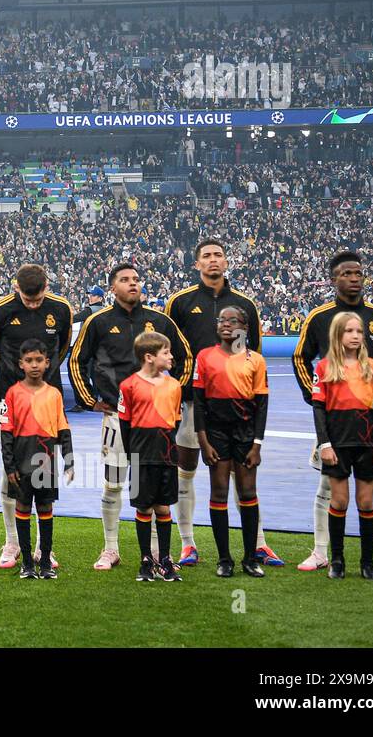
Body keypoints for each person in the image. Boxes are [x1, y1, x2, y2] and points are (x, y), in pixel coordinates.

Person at [292, 250, 373, 575]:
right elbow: (299, 358)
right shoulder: (319, 317)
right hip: (336, 422)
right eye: (346, 273)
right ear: (334, 279)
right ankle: (322, 553)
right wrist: (317, 398)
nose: (353, 278)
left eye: (357, 273)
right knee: (329, 487)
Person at [165, 239, 280, 568]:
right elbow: (168, 349)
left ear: (226, 261)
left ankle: (257, 544)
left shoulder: (245, 304)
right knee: (185, 472)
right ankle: (188, 543)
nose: (213, 260)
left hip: (238, 411)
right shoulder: (180, 302)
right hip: (191, 403)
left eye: (218, 255)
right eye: (206, 256)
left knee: (239, 477)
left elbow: (252, 354)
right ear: (196, 264)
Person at [69, 262, 191, 571]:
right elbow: (76, 361)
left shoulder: (159, 321)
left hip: (155, 421)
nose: (132, 284)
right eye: (124, 280)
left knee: (148, 487)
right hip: (115, 416)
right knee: (113, 483)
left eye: (136, 279)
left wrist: (171, 393)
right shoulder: (97, 322)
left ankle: (154, 553)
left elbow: (185, 358)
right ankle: (110, 548)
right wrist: (89, 400)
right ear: (112, 288)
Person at [0, 263, 72, 570]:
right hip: (10, 396)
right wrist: (14, 376)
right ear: (15, 287)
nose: (32, 304)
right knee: (11, 465)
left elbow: (63, 346)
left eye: (37, 299)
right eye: (27, 298)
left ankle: (42, 548)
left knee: (46, 466)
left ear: (47, 286)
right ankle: (12, 543)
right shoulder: (0, 311)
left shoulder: (61, 309)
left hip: (49, 398)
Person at [311, 312, 373, 580]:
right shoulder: (323, 368)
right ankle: (337, 560)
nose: (356, 336)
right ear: (338, 335)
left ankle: (367, 563)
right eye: (349, 331)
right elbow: (319, 410)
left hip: (367, 443)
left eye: (359, 331)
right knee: (340, 500)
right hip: (337, 443)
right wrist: (324, 444)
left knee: (366, 502)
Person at [192, 306, 268, 578]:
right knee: (219, 492)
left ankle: (250, 558)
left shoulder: (256, 360)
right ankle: (224, 559)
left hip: (246, 433)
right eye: (221, 320)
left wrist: (257, 444)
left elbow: (262, 405)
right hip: (216, 433)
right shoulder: (204, 357)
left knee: (247, 492)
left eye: (232, 320)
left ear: (244, 327)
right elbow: (198, 403)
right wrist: (203, 441)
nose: (225, 324)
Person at [0, 339, 73, 580]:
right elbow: (6, 434)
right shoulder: (12, 393)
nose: (34, 365)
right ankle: (27, 562)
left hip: (46, 461)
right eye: (29, 361)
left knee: (44, 508)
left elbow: (63, 429)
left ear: (47, 363)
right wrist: (9, 466)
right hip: (21, 461)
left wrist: (69, 461)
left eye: (38, 360)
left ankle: (45, 561)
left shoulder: (54, 394)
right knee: (22, 507)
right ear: (21, 364)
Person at [117, 331, 184, 582]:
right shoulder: (129, 385)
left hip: (167, 455)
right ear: (149, 357)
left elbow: (174, 422)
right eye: (165, 352)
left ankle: (165, 559)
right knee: (144, 507)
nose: (171, 356)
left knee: (164, 507)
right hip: (141, 455)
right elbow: (125, 424)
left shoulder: (174, 386)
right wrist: (131, 455)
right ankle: (146, 559)